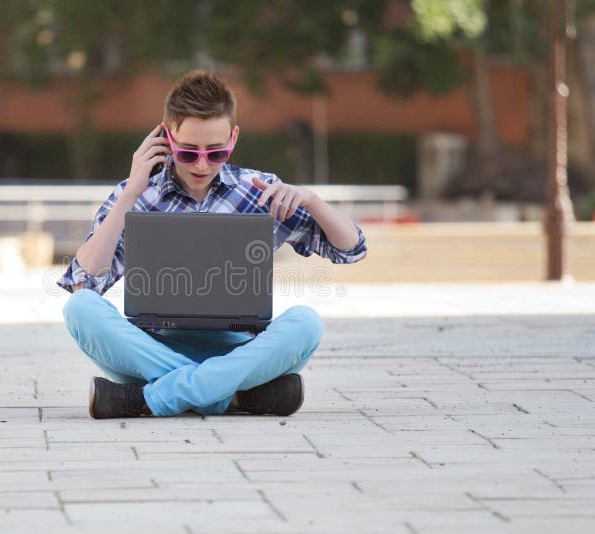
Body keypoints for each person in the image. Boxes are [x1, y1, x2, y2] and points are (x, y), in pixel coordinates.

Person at [58, 71, 367, 419]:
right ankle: (230, 396)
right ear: (166, 137)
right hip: (153, 350)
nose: (202, 164)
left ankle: (147, 399)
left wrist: (312, 200)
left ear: (233, 138)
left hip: (241, 352)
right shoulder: (137, 195)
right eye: (188, 153)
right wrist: (131, 192)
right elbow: (83, 281)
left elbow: (351, 248)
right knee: (80, 308)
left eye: (216, 152)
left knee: (306, 323)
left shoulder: (261, 190)